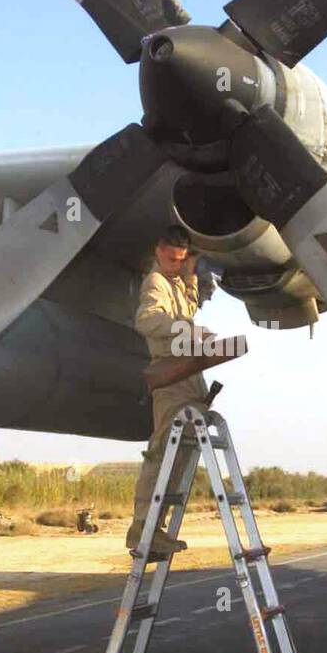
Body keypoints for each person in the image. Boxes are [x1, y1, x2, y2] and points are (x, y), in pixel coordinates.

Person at [126, 226, 216, 554]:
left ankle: (157, 528)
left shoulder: (178, 282)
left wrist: (191, 277)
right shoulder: (156, 283)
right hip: (170, 375)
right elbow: (147, 320)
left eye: (180, 260)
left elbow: (188, 308)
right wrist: (188, 328)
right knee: (163, 451)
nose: (174, 264)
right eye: (170, 258)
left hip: (189, 373)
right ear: (158, 251)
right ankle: (142, 529)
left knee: (182, 453)